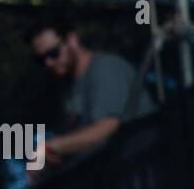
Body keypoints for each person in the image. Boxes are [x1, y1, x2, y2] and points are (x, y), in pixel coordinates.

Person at [25, 19, 155, 179]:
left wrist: (51, 147)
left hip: (137, 179)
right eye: (41, 60)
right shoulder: (67, 88)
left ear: (72, 40)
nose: (49, 62)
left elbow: (108, 127)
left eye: (53, 53)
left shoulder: (106, 68)